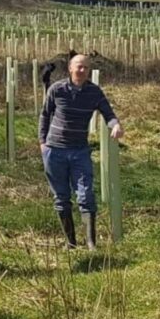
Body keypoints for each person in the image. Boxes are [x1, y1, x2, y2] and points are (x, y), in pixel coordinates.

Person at [39, 54, 123, 250]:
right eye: (79, 66)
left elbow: (108, 113)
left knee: (85, 195)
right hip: (54, 150)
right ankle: (70, 243)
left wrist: (116, 125)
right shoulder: (57, 89)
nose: (82, 70)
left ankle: (91, 243)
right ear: (70, 68)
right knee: (61, 197)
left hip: (79, 151)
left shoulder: (94, 92)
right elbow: (45, 115)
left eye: (86, 67)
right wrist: (43, 143)